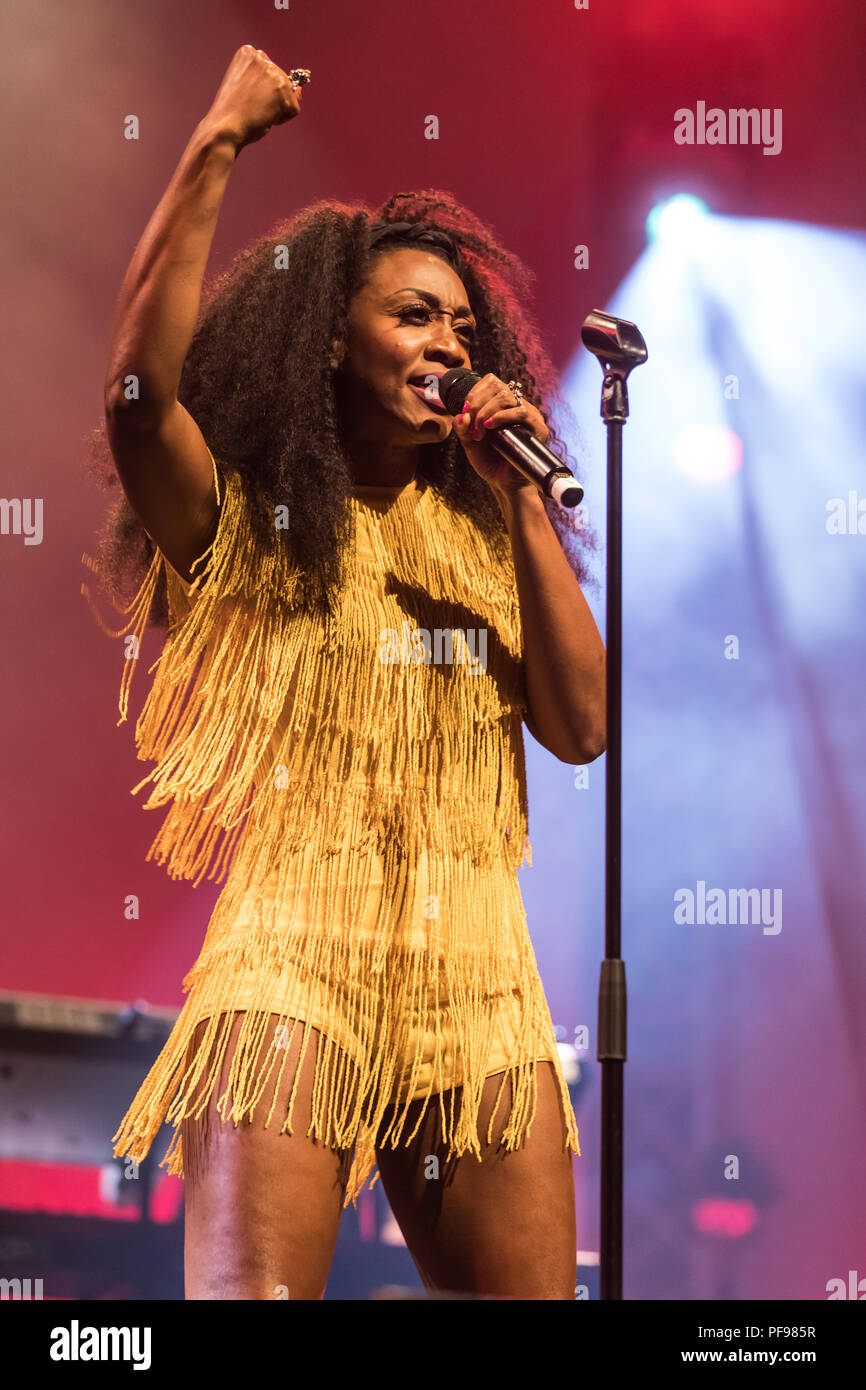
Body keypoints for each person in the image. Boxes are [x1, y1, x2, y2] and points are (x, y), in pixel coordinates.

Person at [82, 45, 606, 1300]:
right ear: (327, 342)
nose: (449, 341)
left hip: (478, 982)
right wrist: (214, 142)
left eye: (464, 326)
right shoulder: (258, 520)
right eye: (414, 314)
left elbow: (581, 729)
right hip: (290, 969)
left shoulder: (488, 530)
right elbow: (138, 401)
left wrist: (523, 500)